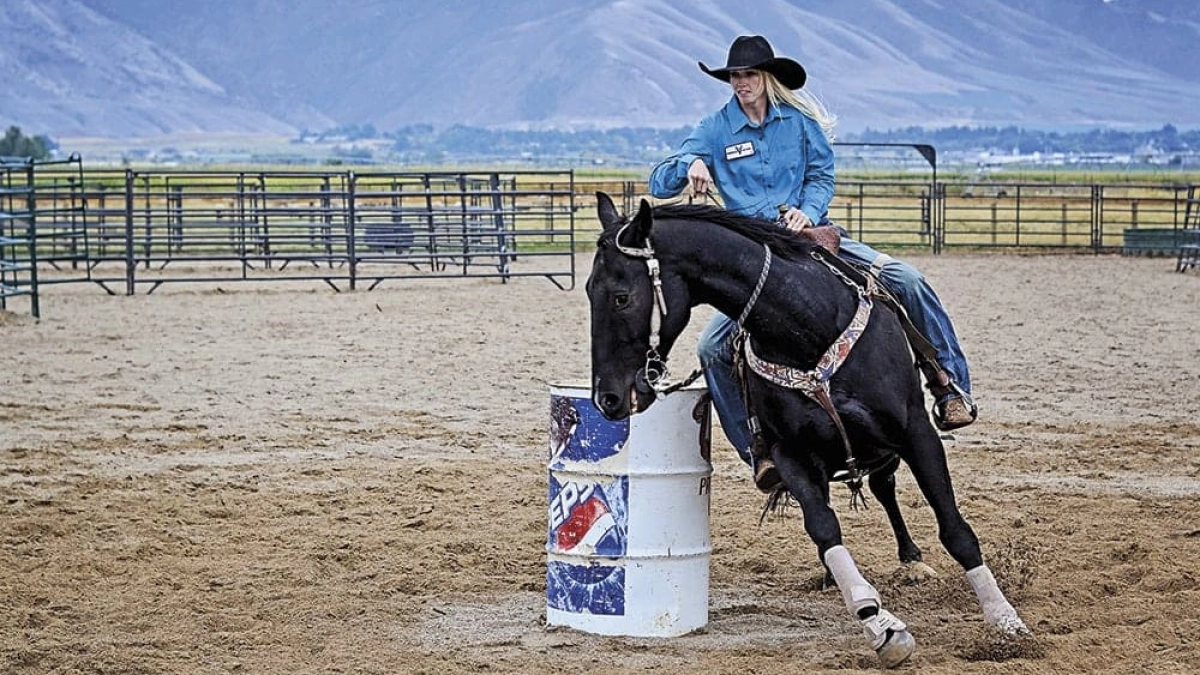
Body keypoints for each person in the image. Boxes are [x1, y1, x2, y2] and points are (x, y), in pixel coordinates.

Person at [648, 35, 976, 492]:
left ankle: (949, 386)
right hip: (753, 260)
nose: (740, 83)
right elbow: (659, 181)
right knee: (711, 349)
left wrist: (807, 208)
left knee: (906, 279)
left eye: (748, 75)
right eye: (734, 77)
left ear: (767, 78)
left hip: (811, 238)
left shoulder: (800, 123)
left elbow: (822, 174)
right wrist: (689, 163)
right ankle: (758, 450)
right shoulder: (714, 128)